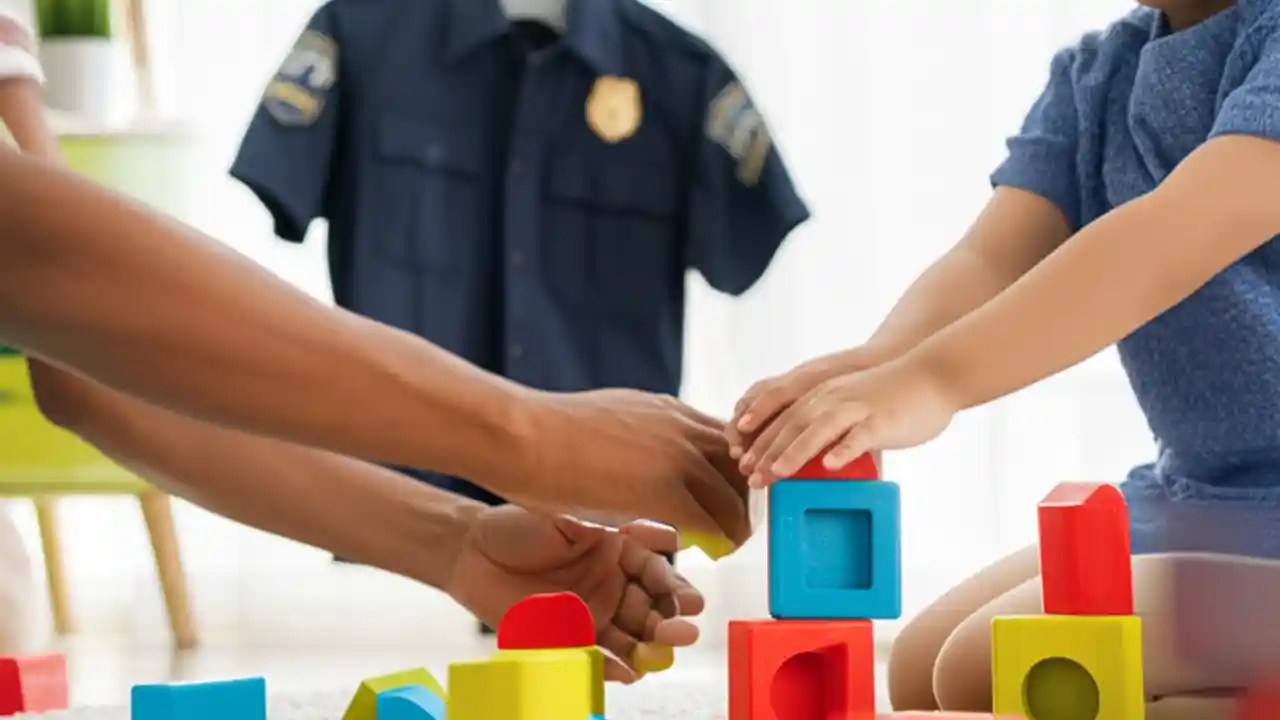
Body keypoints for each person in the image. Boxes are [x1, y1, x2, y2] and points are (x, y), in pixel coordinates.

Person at [0, 7, 750, 677]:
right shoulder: (365, 34)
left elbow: (80, 363)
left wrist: (456, 541)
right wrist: (530, 434)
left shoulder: (680, 71)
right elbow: (30, 254)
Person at [728, 0, 1280, 715]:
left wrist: (934, 381)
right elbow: (991, 257)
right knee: (923, 666)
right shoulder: (1097, 74)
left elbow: (1179, 232)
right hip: (1200, 496)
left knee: (982, 669)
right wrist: (882, 363)